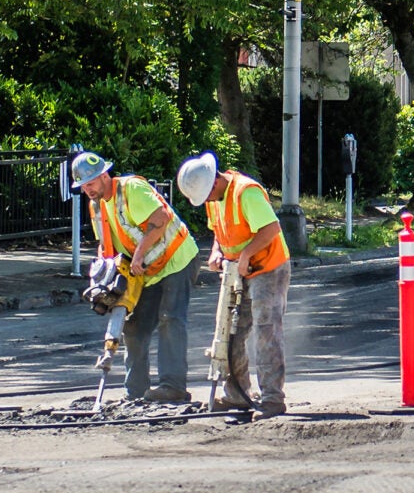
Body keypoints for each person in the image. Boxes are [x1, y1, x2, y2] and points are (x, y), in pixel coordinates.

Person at [72, 151, 198, 403]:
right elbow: (107, 245)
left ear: (105, 175)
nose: (89, 188)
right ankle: (136, 391)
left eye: (92, 182)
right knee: (134, 327)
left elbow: (160, 219)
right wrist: (104, 276)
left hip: (176, 261)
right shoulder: (96, 205)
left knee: (170, 319)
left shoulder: (131, 189)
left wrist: (139, 255)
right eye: (84, 185)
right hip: (145, 272)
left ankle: (172, 387)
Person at [176, 152, 291, 420]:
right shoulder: (213, 199)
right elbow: (220, 231)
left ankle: (273, 399)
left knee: (266, 331)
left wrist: (246, 255)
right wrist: (217, 251)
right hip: (239, 270)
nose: (205, 201)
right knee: (231, 333)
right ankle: (237, 395)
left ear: (214, 182)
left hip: (269, 268)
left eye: (206, 196)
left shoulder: (245, 193)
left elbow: (271, 229)